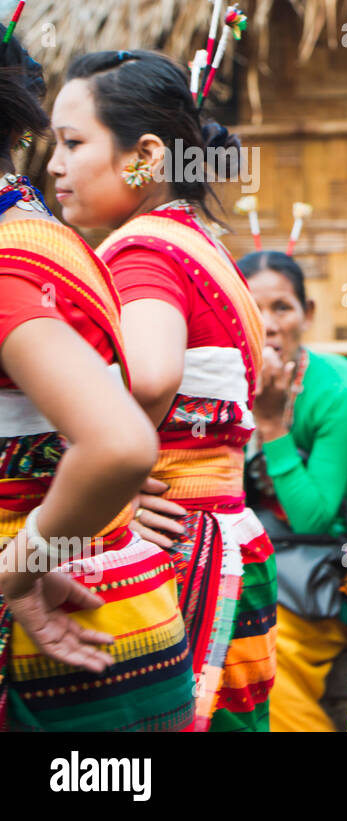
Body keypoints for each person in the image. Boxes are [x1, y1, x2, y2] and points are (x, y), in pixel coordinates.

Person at [48, 49, 275, 731]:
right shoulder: (199, 245)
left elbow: (149, 374)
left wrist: (102, 480)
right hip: (225, 536)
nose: (54, 164)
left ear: (146, 154)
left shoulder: (142, 251)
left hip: (171, 551)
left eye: (73, 142)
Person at [0, 37, 193, 731]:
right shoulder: (57, 241)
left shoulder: (19, 264)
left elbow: (117, 441)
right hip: (119, 595)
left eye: (75, 143)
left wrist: (16, 569)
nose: (58, 166)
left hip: (67, 636)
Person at [238, 250, 347, 732]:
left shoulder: (337, 388)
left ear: (307, 314)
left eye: (282, 308)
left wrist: (271, 423)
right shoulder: (225, 386)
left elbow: (315, 518)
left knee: (261, 650)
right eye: (254, 309)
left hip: (332, 568)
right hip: (263, 561)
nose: (268, 325)